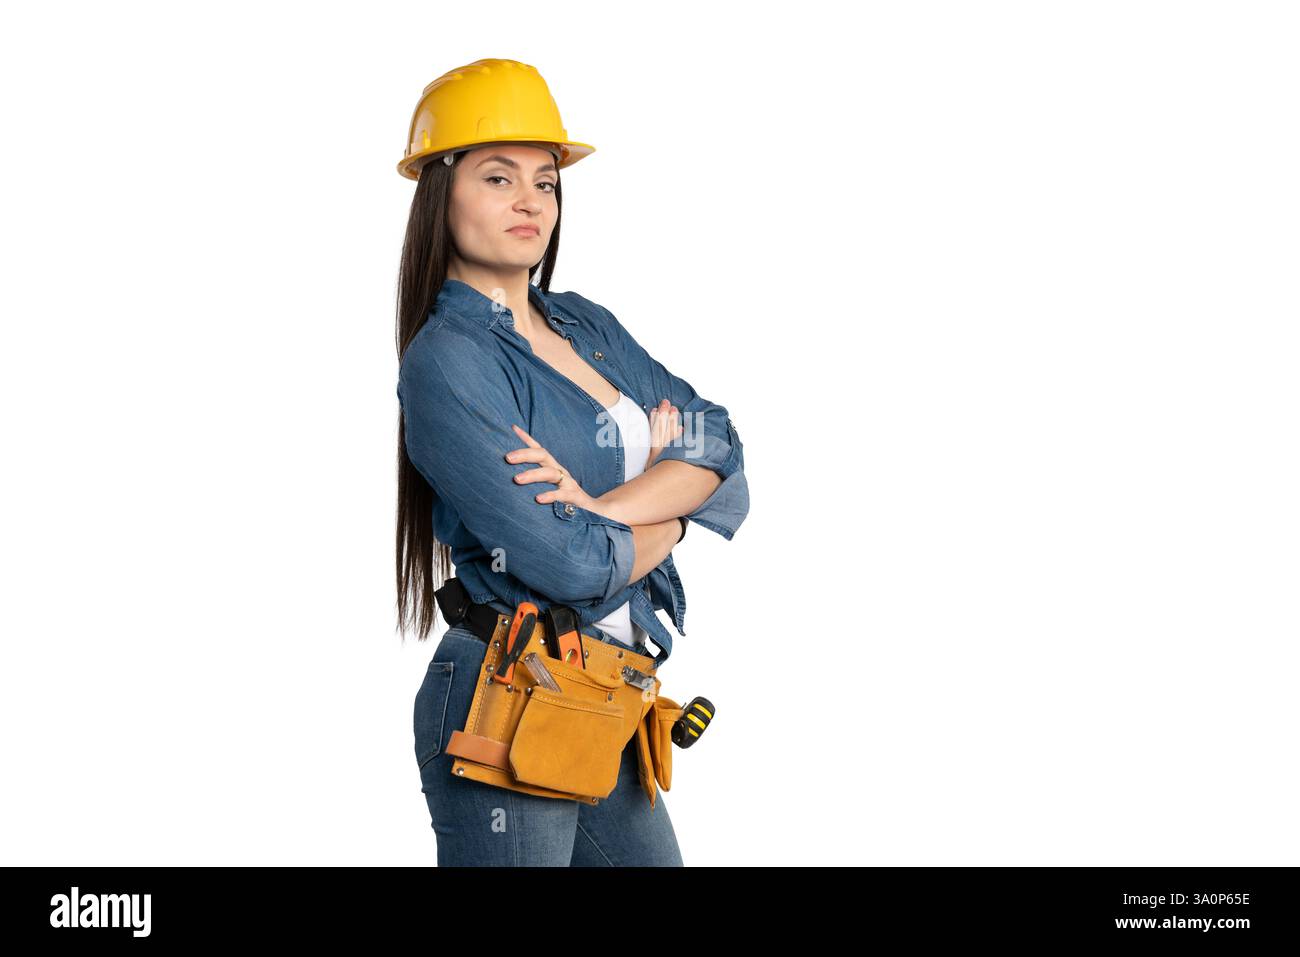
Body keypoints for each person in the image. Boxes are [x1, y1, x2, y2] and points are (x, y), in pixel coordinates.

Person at [393, 59, 749, 866]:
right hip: (507, 691)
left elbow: (721, 442)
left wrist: (603, 505)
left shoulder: (587, 323)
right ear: (439, 194)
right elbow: (564, 563)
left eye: (546, 181)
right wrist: (675, 506)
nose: (530, 200)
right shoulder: (447, 361)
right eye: (497, 176)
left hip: (605, 690)